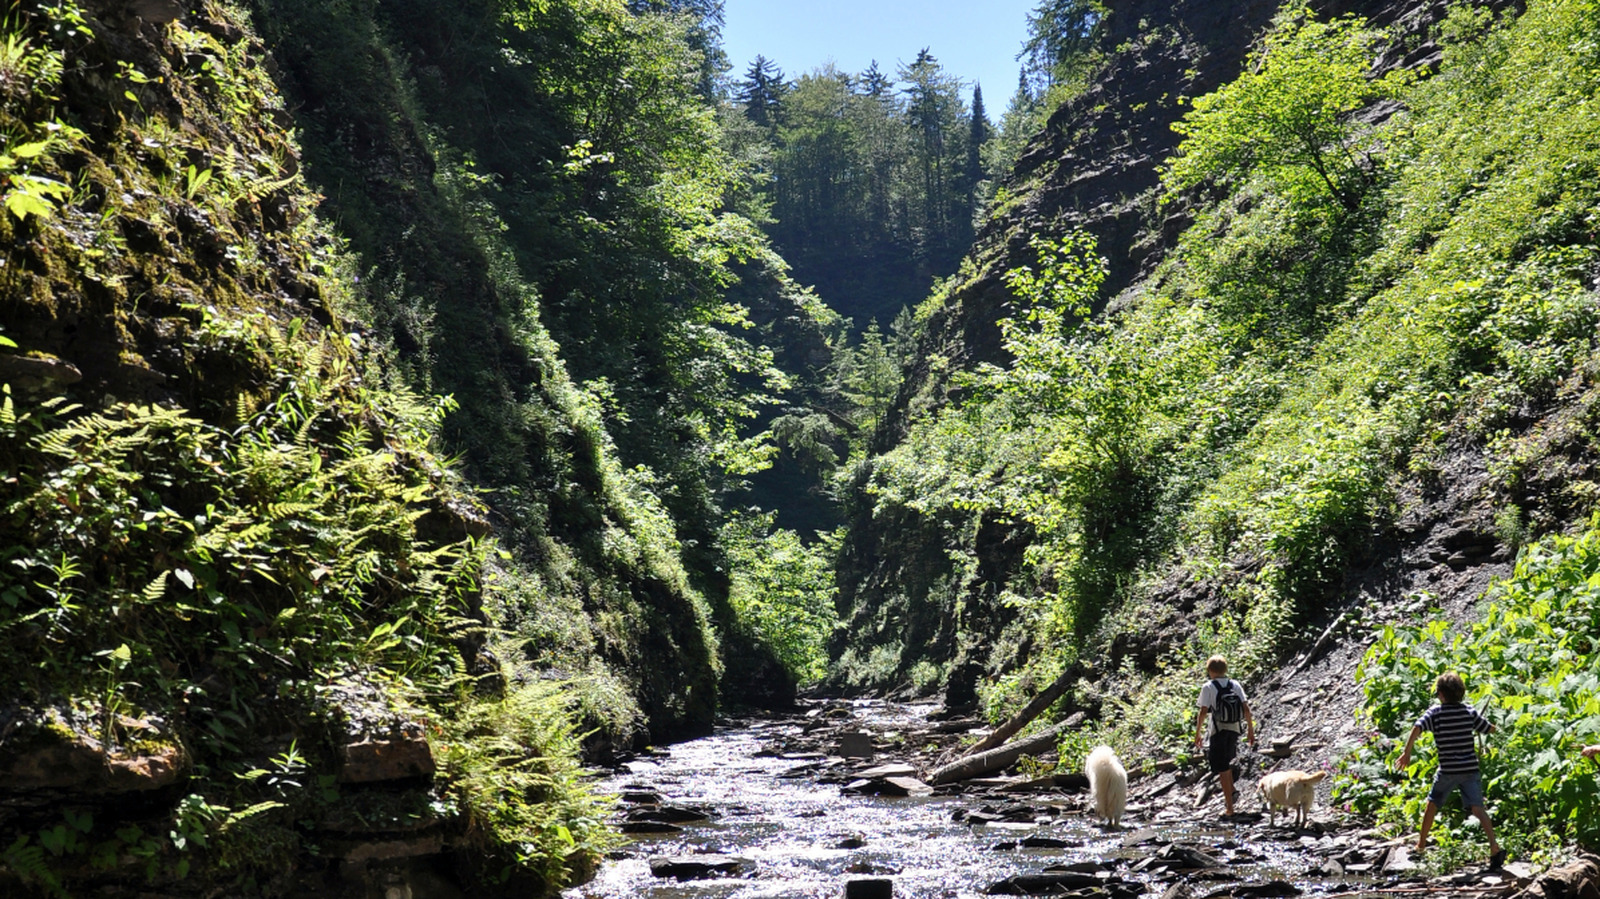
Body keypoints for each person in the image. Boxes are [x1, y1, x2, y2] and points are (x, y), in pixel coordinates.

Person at [1394, 672, 1504, 869]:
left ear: (1441, 695)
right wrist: (1498, 726)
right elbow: (1489, 729)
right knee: (1478, 808)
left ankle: (1420, 846)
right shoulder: (1468, 711)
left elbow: (1417, 727)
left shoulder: (1435, 713)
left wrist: (1407, 752)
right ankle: (1494, 847)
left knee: (1432, 803)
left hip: (1448, 770)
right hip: (1470, 768)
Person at [1194, 655, 1256, 816]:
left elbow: (1203, 711)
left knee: (1221, 769)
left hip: (1217, 731)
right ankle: (1233, 792)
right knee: (1225, 765)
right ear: (1225, 669)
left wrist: (1198, 733)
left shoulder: (1209, 686)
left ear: (1210, 670)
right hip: (1234, 729)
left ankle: (1229, 808)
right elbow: (1246, 708)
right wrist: (1250, 730)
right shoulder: (1235, 684)